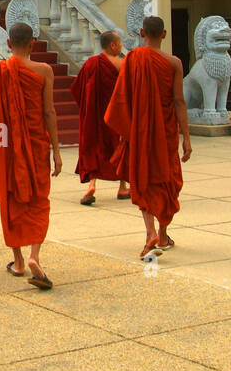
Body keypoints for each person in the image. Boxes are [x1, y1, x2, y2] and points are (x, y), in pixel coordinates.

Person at [0, 22, 62, 288]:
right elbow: (49, 113)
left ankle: (19, 262)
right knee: (38, 200)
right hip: (37, 147)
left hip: (7, 149)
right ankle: (35, 256)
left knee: (13, 202)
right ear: (33, 43)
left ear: (8, 44)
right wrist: (56, 151)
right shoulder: (44, 71)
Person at [104, 15, 192, 259]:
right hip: (166, 134)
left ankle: (150, 232)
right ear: (164, 34)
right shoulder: (174, 63)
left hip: (141, 133)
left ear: (142, 33)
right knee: (166, 179)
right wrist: (187, 137)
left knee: (143, 179)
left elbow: (122, 97)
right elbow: (179, 101)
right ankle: (162, 234)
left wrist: (127, 128)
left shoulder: (133, 59)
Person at [70, 30, 129, 204]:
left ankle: (92, 185)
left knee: (94, 148)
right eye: (119, 43)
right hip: (115, 116)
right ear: (112, 45)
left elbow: (77, 89)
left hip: (94, 117)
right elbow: (127, 90)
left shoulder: (90, 64)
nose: (121, 46)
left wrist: (87, 109)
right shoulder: (120, 64)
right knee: (119, 147)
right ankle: (122, 187)